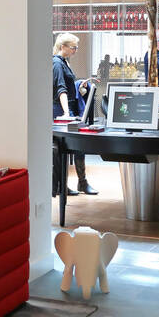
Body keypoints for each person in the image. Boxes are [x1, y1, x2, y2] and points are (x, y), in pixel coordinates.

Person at [52, 33, 96, 196]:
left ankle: (80, 182)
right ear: (62, 46)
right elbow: (60, 89)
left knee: (75, 147)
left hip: (66, 109)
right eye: (73, 47)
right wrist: (66, 113)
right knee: (67, 148)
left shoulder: (64, 62)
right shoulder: (57, 63)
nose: (75, 50)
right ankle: (65, 185)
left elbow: (67, 87)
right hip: (61, 110)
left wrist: (78, 86)